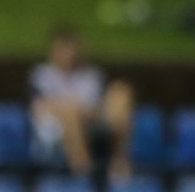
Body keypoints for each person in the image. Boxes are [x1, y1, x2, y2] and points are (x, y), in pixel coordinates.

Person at [29, 25, 133, 177]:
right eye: (64, 49)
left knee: (120, 91)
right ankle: (83, 170)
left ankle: (119, 161)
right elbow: (41, 107)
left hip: (90, 123)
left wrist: (85, 112)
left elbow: (99, 107)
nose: (69, 54)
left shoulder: (92, 75)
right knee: (68, 112)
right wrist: (75, 110)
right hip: (53, 130)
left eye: (72, 48)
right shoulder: (41, 75)